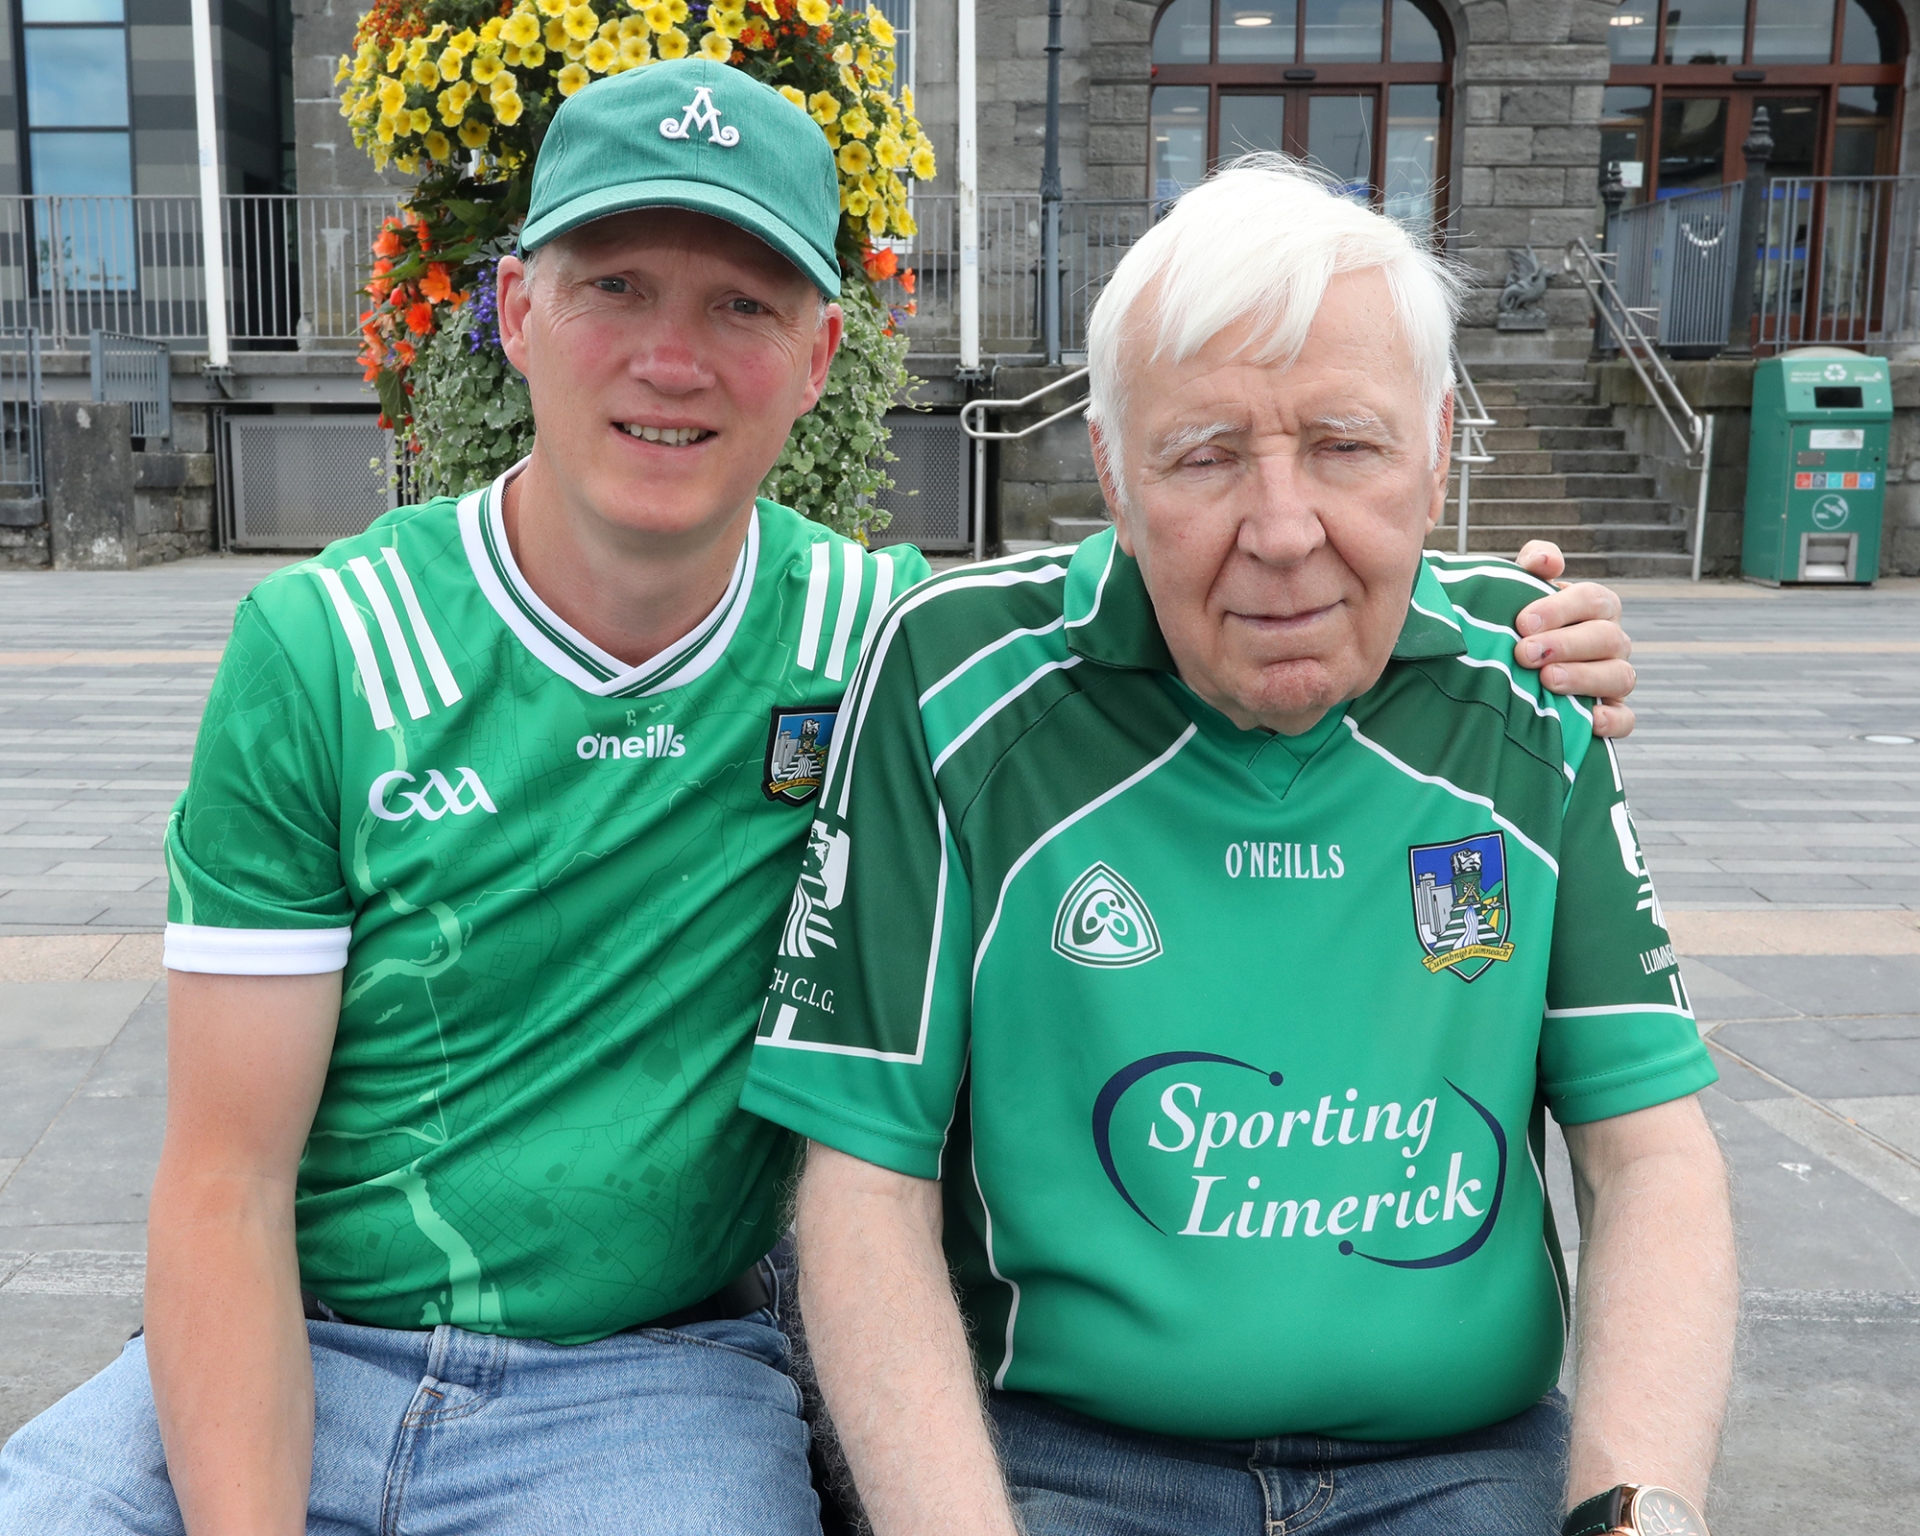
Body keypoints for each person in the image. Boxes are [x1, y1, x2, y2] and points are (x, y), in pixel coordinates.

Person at [0, 64, 1639, 1536]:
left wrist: (1499, 620)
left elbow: (1199, 557)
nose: (669, 356)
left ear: (819, 356)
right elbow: (221, 1185)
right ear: (509, 311)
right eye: (613, 286)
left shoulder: (880, 640)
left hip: (638, 1378)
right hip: (294, 1330)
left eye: (741, 304)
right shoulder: (326, 648)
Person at [742, 157, 1736, 1536]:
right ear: (1111, 468)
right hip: (1063, 1465)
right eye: (1206, 455)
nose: (1282, 532)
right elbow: (860, 1180)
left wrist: (1639, 1512)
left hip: (1464, 1467)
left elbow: (1653, 1156)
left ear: (1439, 446)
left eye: (1347, 444)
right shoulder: (955, 681)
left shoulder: (1529, 681)